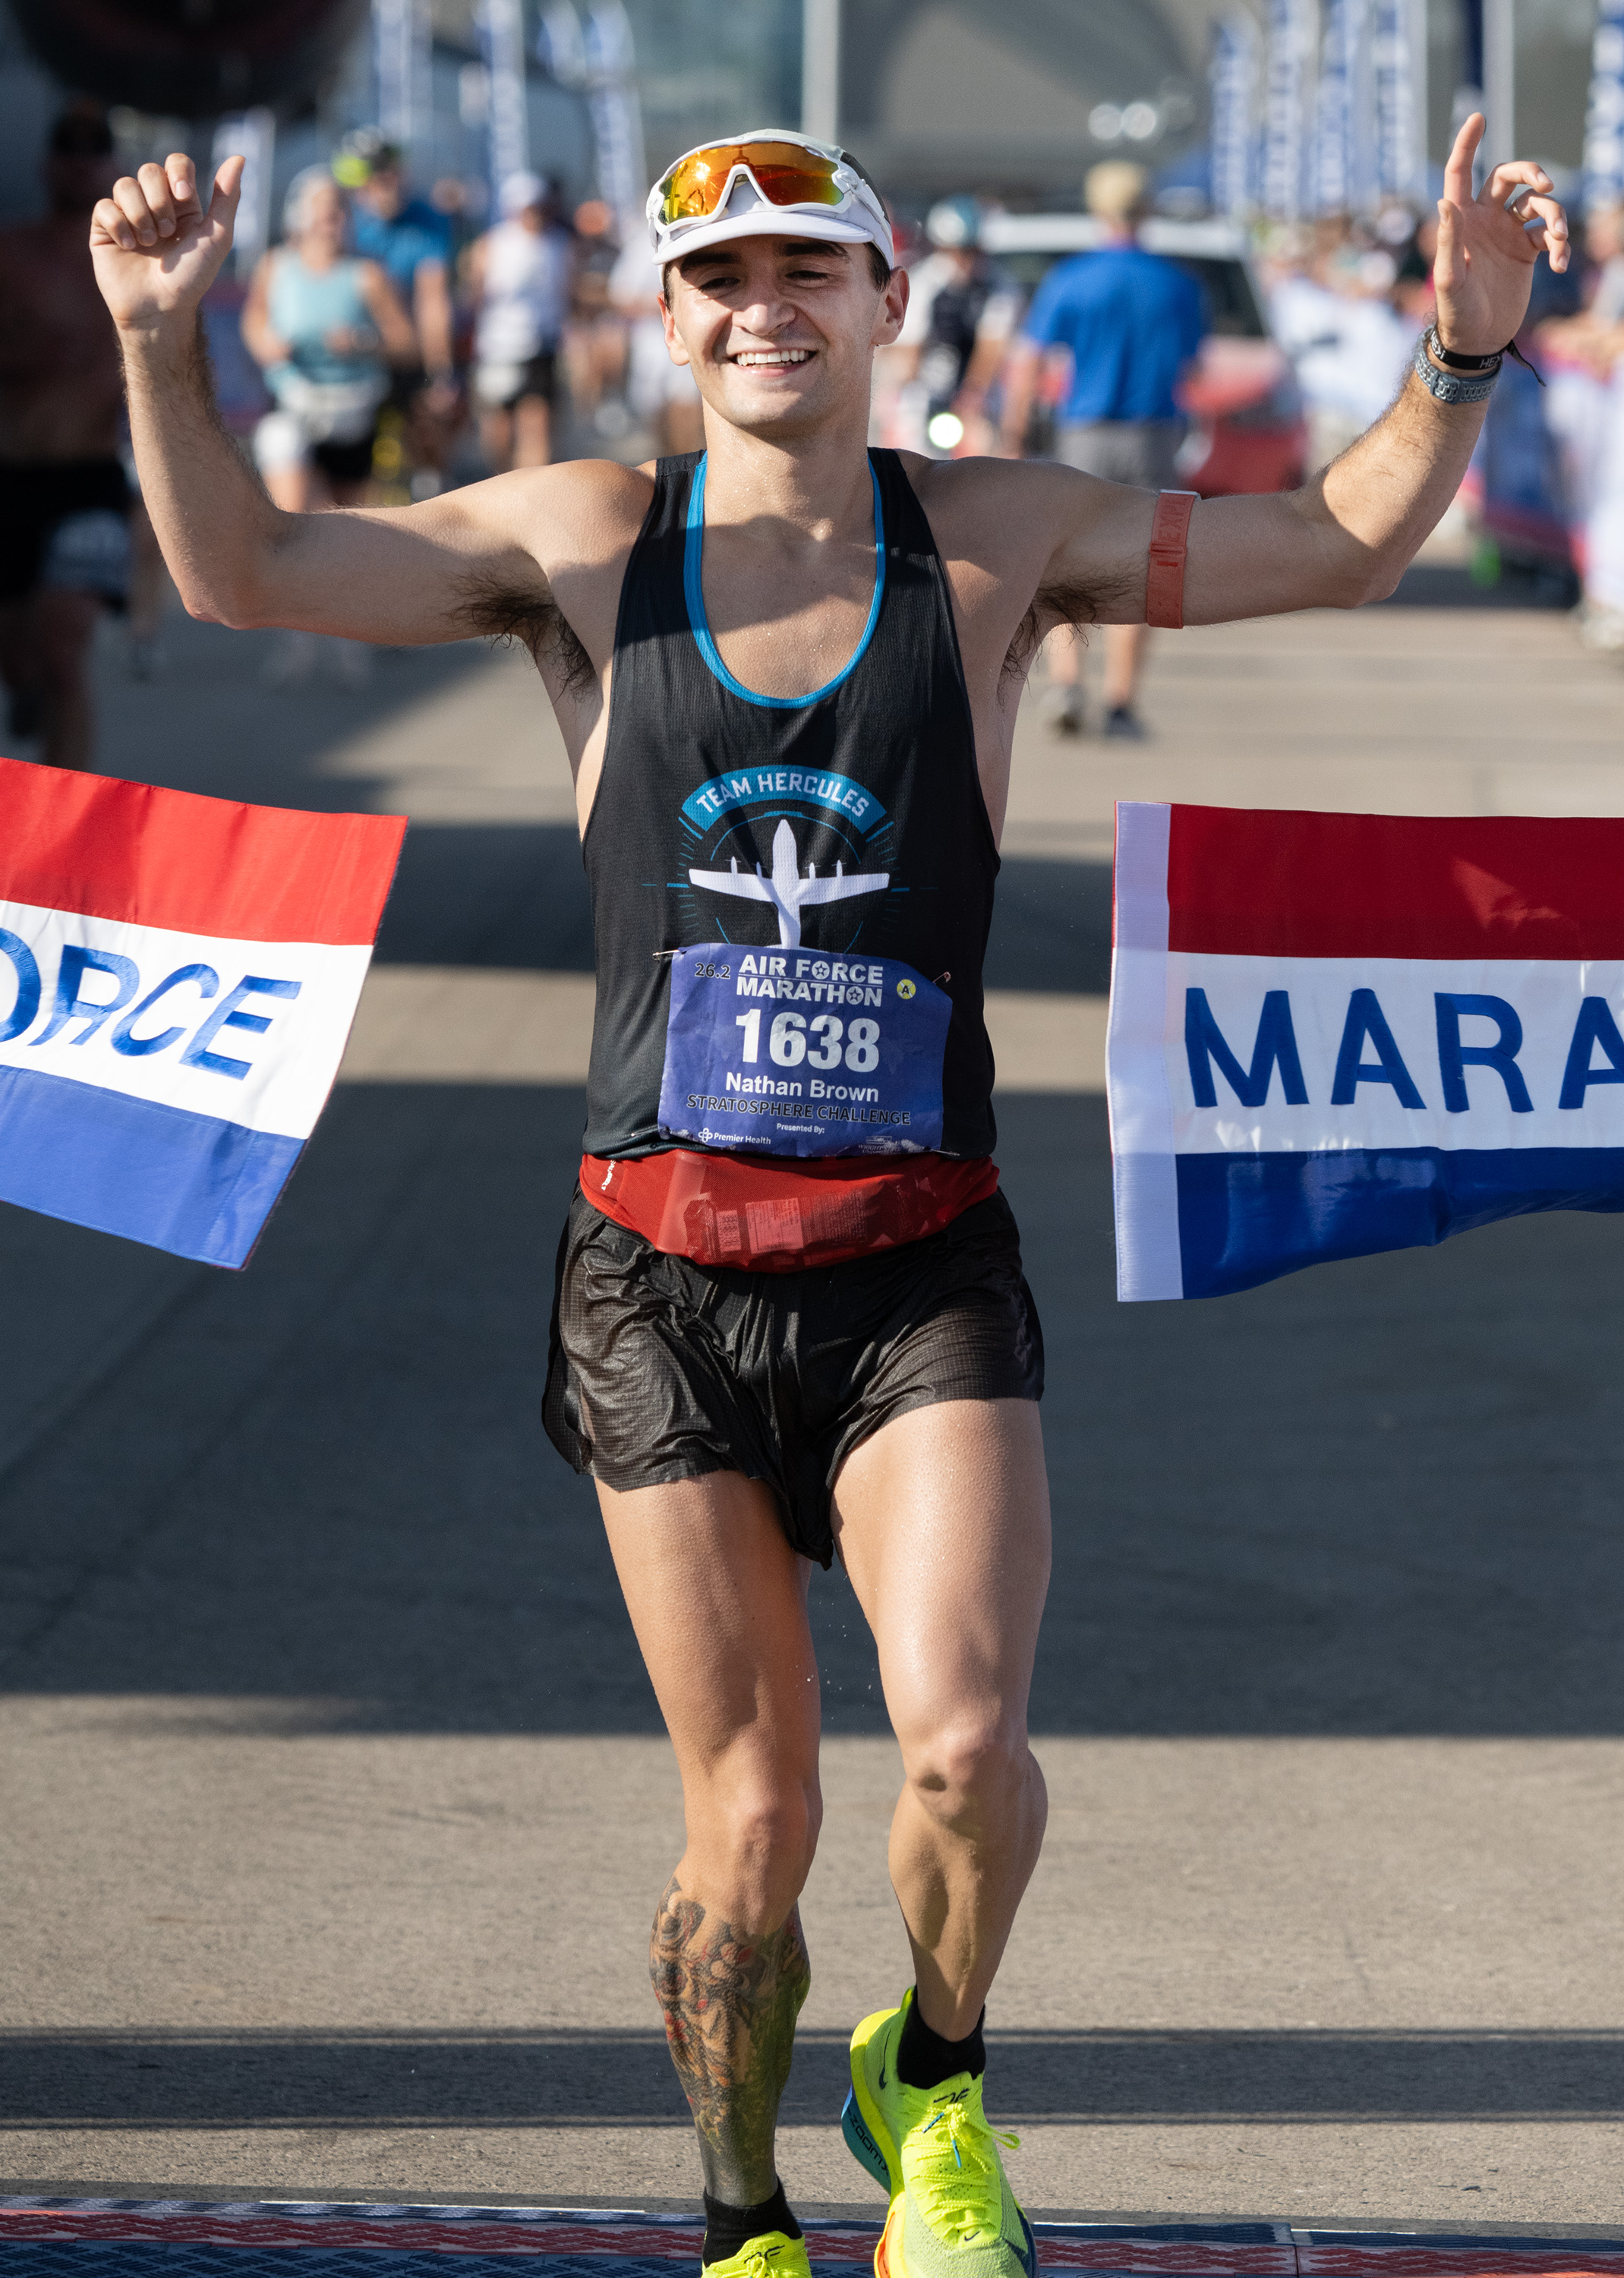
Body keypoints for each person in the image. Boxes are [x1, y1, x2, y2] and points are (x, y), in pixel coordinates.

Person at [90, 118, 1566, 2278]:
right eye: (720, 277)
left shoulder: (989, 542)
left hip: (917, 1265)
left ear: (887, 301)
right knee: (755, 1821)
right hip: (656, 1285)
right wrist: (159, 339)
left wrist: (1460, 349)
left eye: (807, 271)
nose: (762, 308)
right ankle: (742, 2215)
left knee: (964, 1746)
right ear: (668, 315)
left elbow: (1330, 545)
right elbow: (245, 574)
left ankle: (932, 2079)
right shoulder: (587, 538)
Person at [999, 161, 1208, 740]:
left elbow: (1029, 361)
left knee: (1068, 560)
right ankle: (1120, 703)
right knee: (1146, 566)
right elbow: (1192, 368)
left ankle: (1068, 684)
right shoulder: (1177, 284)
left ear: (1097, 211)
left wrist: (1013, 433)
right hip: (1152, 434)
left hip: (1083, 433)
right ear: (1147, 211)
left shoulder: (1072, 278)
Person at [240, 167, 415, 682]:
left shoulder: (367, 274)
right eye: (321, 211)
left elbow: (406, 343)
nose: (330, 221)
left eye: (338, 211)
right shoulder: (276, 265)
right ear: (299, 216)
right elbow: (254, 319)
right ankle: (298, 638)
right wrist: (266, 344)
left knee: (344, 529)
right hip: (294, 404)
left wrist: (361, 342)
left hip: (352, 409)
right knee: (293, 517)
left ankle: (345, 637)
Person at [0, 108, 135, 769]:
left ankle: (67, 816)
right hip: (12, 475)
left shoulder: (135, 264)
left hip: (90, 477)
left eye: (94, 153)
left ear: (112, 167)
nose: (82, 164)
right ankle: (24, 683)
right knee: (20, 655)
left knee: (63, 649)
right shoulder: (10, 254)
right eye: (69, 152)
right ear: (47, 165)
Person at [336, 128, 462, 498]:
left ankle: (432, 489)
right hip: (352, 350)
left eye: (392, 173)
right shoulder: (340, 219)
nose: (388, 184)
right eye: (377, 177)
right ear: (358, 184)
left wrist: (440, 372)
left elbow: (432, 301)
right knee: (356, 460)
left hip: (408, 350)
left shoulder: (428, 219)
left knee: (429, 426)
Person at [889, 197, 1020, 458]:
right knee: (911, 450)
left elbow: (991, 348)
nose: (963, 261)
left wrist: (973, 395)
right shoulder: (923, 284)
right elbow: (909, 349)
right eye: (955, 251)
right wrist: (908, 390)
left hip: (975, 395)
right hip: (928, 387)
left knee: (983, 453)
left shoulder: (999, 287)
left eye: (970, 251)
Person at [468, 172, 573, 471]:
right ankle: (503, 480)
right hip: (499, 347)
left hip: (542, 345)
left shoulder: (558, 244)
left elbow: (567, 293)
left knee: (537, 425)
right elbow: (475, 297)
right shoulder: (491, 245)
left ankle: (530, 487)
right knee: (499, 428)